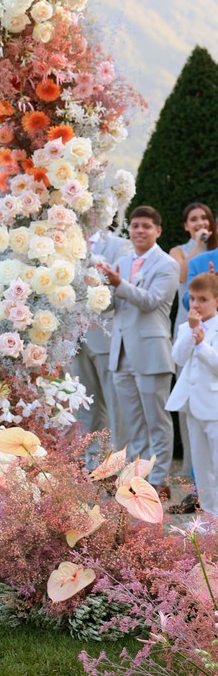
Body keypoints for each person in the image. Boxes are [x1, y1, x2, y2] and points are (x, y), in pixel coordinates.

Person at [101, 206, 180, 500]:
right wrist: (100, 291)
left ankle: (160, 479)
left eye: (146, 226)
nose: (140, 231)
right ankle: (137, 476)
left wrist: (119, 284)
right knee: (132, 422)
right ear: (129, 229)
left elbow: (151, 302)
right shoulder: (121, 261)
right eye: (135, 226)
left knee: (156, 420)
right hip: (120, 351)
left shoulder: (167, 264)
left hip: (151, 352)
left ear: (158, 230)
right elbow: (111, 306)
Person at [170, 203, 218, 504]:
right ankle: (210, 517)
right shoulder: (188, 326)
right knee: (201, 466)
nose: (197, 304)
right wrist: (192, 335)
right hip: (191, 402)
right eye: (194, 299)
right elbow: (177, 357)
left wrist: (202, 344)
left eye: (203, 299)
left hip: (213, 403)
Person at [73, 224, 128, 447]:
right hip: (74, 337)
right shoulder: (62, 243)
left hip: (105, 334)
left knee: (115, 405)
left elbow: (118, 289)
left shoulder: (119, 245)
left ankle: (118, 462)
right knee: (85, 405)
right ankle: (92, 463)